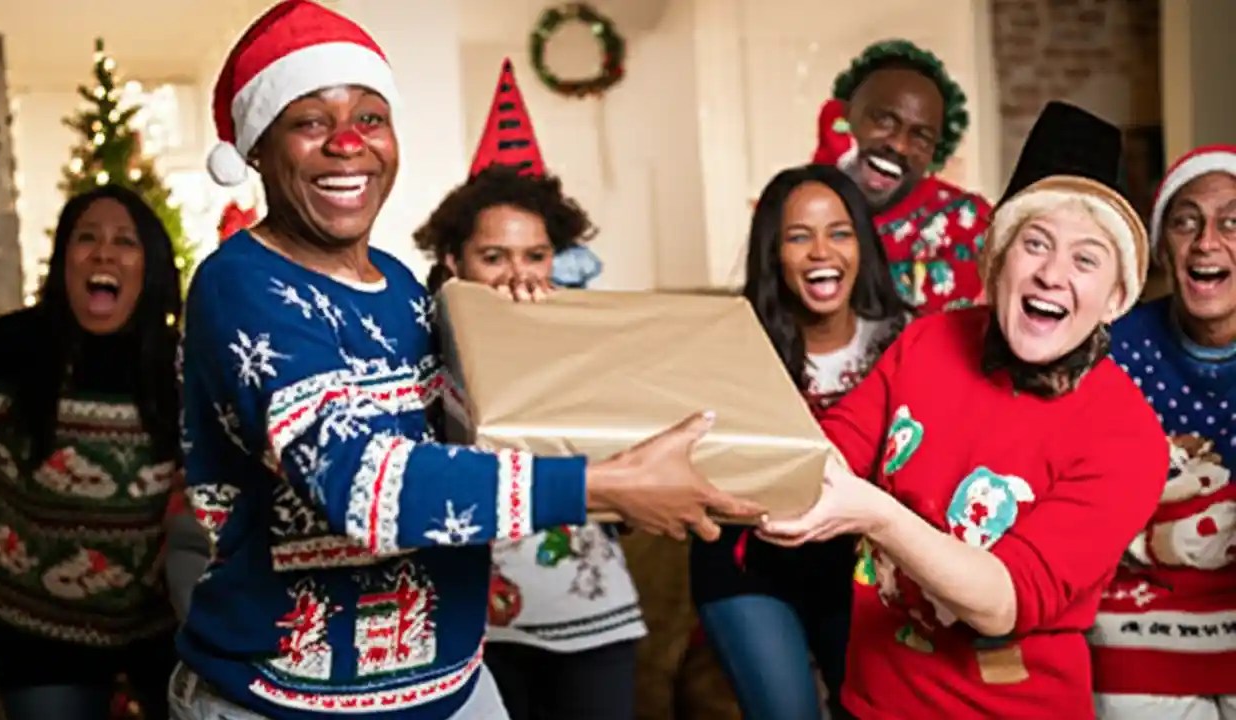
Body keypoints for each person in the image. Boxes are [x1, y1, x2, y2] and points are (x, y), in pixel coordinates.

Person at [170, 3, 759, 719]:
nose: (348, 144)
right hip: (286, 700)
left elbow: (498, 439)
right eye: (310, 122)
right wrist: (606, 485)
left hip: (453, 688)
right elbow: (360, 481)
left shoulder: (406, 294)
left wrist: (513, 326)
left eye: (370, 118)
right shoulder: (243, 284)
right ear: (259, 147)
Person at [758, 101, 1170, 719]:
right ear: (998, 264)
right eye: (1034, 244)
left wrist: (875, 514)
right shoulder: (927, 341)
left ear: (1114, 298)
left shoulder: (1129, 437)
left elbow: (1002, 601)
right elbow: (834, 446)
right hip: (869, 706)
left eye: (1085, 259)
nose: (1053, 274)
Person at [412, 57, 643, 720]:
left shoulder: (592, 343)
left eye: (535, 254)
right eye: (495, 256)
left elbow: (632, 478)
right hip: (469, 624)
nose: (519, 274)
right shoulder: (419, 353)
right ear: (454, 261)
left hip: (590, 610)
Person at [0, 185, 184, 720]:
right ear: (63, 261)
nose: (103, 253)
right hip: (36, 631)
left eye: (125, 242)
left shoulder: (179, 364)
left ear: (149, 269)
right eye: (87, 238)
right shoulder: (5, 348)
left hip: (160, 626)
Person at [690, 163, 908, 720]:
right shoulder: (733, 343)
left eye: (838, 232)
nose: (820, 252)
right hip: (748, 566)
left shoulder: (907, 342)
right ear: (773, 253)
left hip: (862, 569)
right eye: (797, 236)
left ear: (862, 245)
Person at [1090, 145, 1236, 719]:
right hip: (1142, 602)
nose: (1206, 241)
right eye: (1185, 222)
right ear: (1162, 246)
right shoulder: (1114, 346)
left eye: (1232, 222)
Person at [812, 39, 992, 315]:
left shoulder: (963, 223)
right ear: (844, 116)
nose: (898, 145)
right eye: (883, 120)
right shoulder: (800, 207)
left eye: (921, 136)